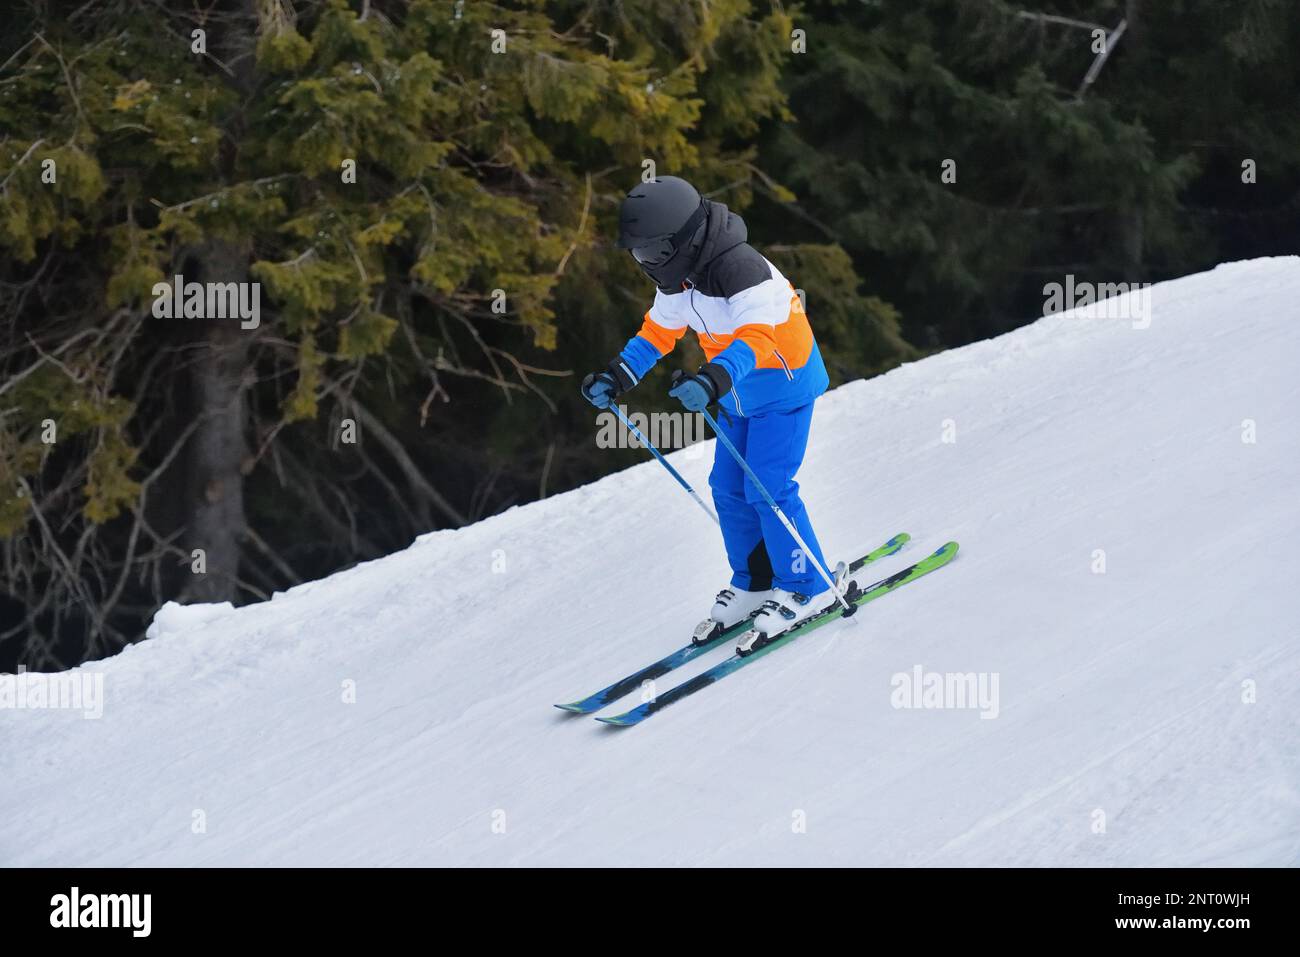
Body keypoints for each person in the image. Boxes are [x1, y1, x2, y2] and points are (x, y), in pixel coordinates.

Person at [581, 176, 840, 644]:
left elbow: (758, 339)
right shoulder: (679, 277)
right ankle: (755, 583)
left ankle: (808, 584)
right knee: (727, 486)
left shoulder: (741, 269)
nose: (646, 263)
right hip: (737, 395)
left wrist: (711, 379)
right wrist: (618, 374)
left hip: (782, 389)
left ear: (685, 239)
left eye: (652, 252)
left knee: (768, 488)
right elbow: (659, 332)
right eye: (639, 255)